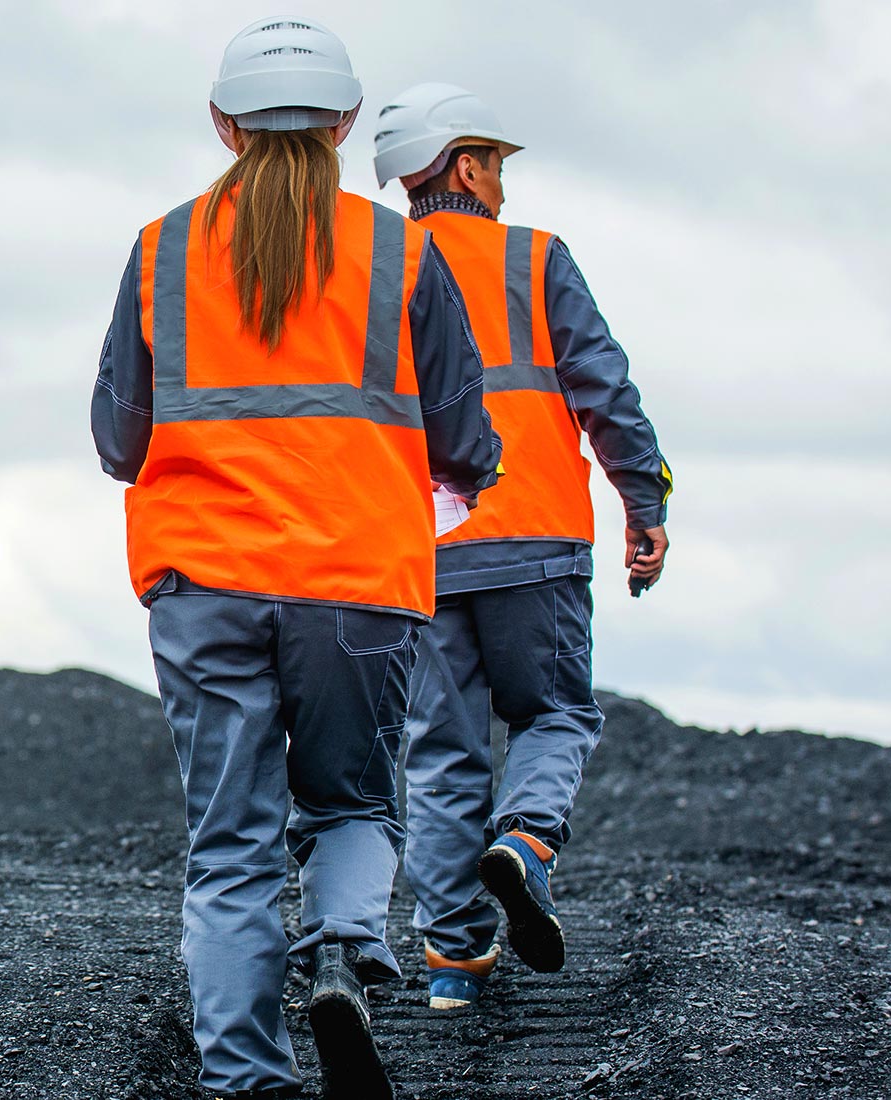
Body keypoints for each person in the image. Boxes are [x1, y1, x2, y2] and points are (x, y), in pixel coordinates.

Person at [93, 20, 503, 1099]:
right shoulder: (404, 253)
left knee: (229, 842)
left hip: (203, 578)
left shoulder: (159, 248)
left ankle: (247, 1079)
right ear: (346, 122)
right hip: (358, 577)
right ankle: (338, 944)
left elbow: (115, 439)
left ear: (221, 122)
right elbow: (466, 440)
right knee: (354, 803)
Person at [369, 83, 673, 1011]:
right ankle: (527, 842)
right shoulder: (536, 257)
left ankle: (454, 962)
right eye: (495, 161)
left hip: (420, 547)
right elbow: (604, 388)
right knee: (554, 716)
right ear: (466, 164)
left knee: (443, 751)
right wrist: (643, 497)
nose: (501, 181)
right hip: (537, 536)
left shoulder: (374, 267)